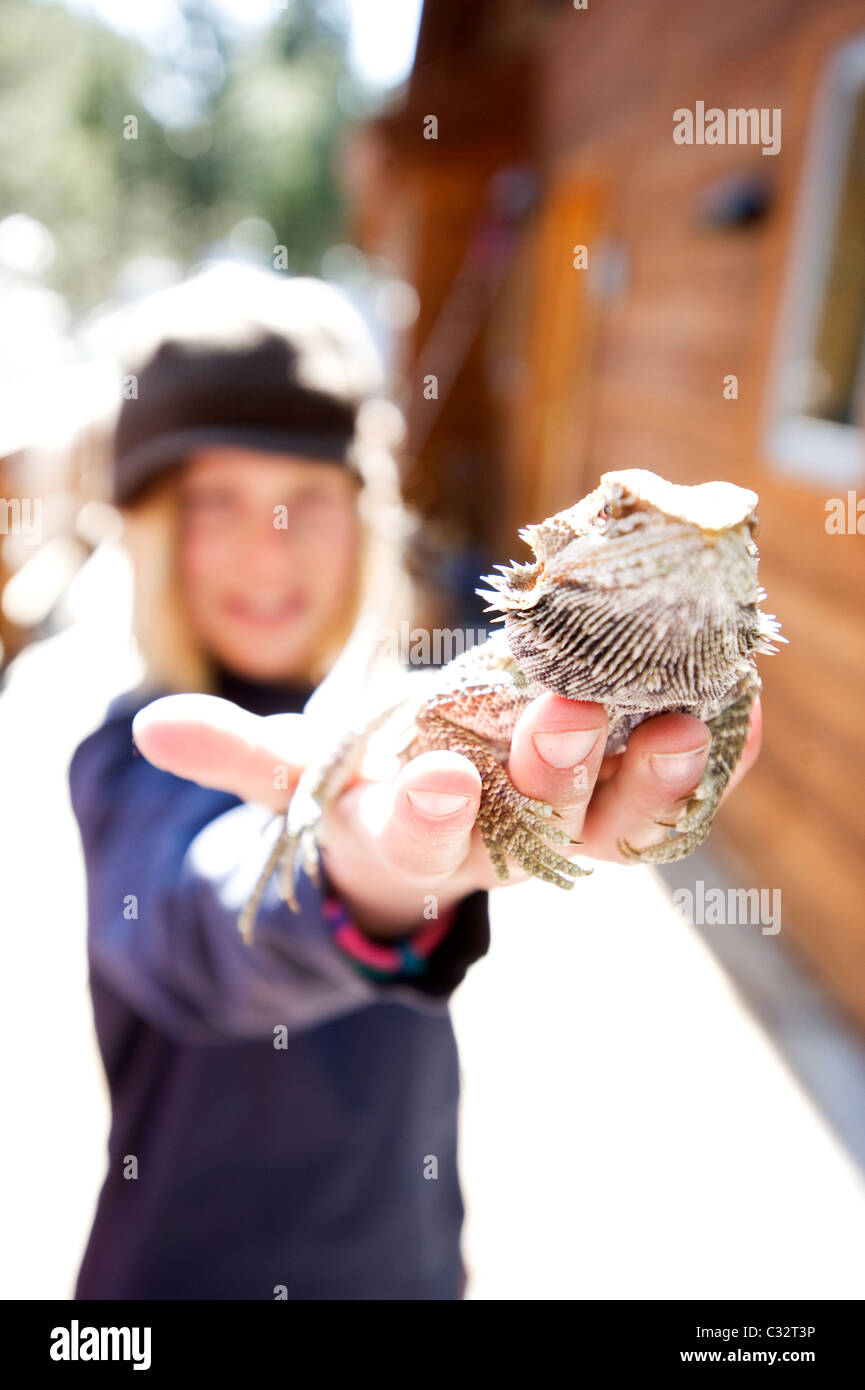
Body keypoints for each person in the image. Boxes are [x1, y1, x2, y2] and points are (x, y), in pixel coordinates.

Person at [70, 264, 761, 1300]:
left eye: (307, 496)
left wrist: (440, 1241)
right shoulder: (130, 758)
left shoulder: (413, 720)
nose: (272, 547)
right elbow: (198, 928)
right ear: (152, 530)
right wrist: (361, 880)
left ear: (367, 515)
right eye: (217, 499)